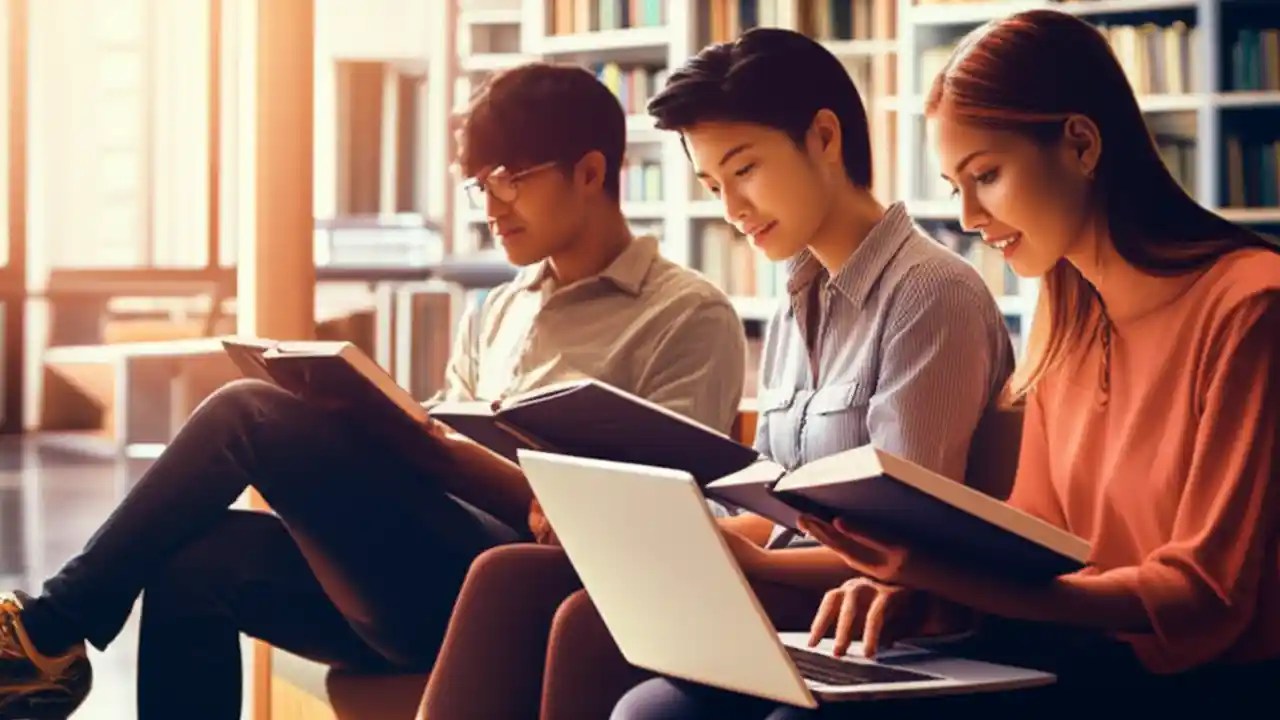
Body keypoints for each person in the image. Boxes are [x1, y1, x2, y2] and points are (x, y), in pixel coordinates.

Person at [0, 62, 747, 720]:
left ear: (590, 172)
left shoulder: (685, 314)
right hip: (420, 573)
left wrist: (432, 447)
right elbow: (444, 460)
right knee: (194, 558)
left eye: (511, 179)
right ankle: (50, 636)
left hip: (528, 594)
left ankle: (51, 629)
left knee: (246, 412)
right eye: (478, 183)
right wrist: (385, 428)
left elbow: (660, 523)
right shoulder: (502, 307)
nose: (491, 206)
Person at [612, 10, 1280, 718]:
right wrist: (921, 593)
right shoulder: (1065, 306)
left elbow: (1204, 595)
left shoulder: (1249, 306)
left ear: (1081, 143)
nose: (965, 214)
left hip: (1186, 683)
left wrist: (947, 578)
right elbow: (1038, 534)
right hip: (1057, 645)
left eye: (986, 175)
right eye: (953, 182)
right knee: (658, 707)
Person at [420, 28, 1014, 720]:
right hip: (784, 581)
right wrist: (693, 533)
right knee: (511, 573)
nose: (731, 208)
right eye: (712, 184)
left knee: (587, 622)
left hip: (863, 608)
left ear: (825, 138)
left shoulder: (929, 293)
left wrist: (747, 562)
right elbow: (785, 508)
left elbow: (906, 547)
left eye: (745, 170)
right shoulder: (796, 299)